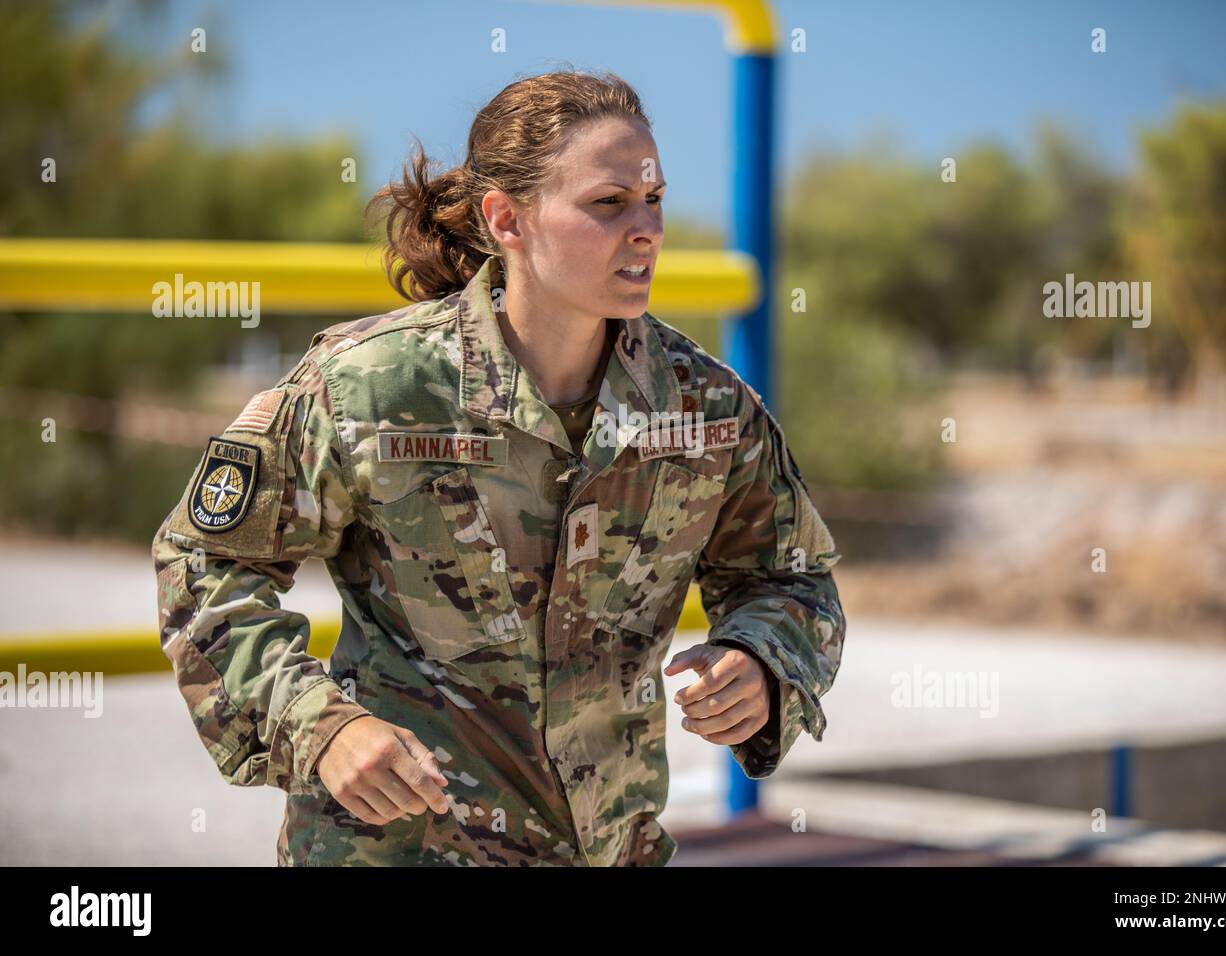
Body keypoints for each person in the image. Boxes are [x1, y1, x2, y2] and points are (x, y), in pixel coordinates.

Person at [150, 69, 845, 867]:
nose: (647, 228)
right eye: (608, 203)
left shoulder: (706, 410)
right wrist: (320, 725)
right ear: (506, 219)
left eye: (653, 198)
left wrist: (761, 659)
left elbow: (790, 578)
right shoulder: (370, 386)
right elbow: (205, 563)